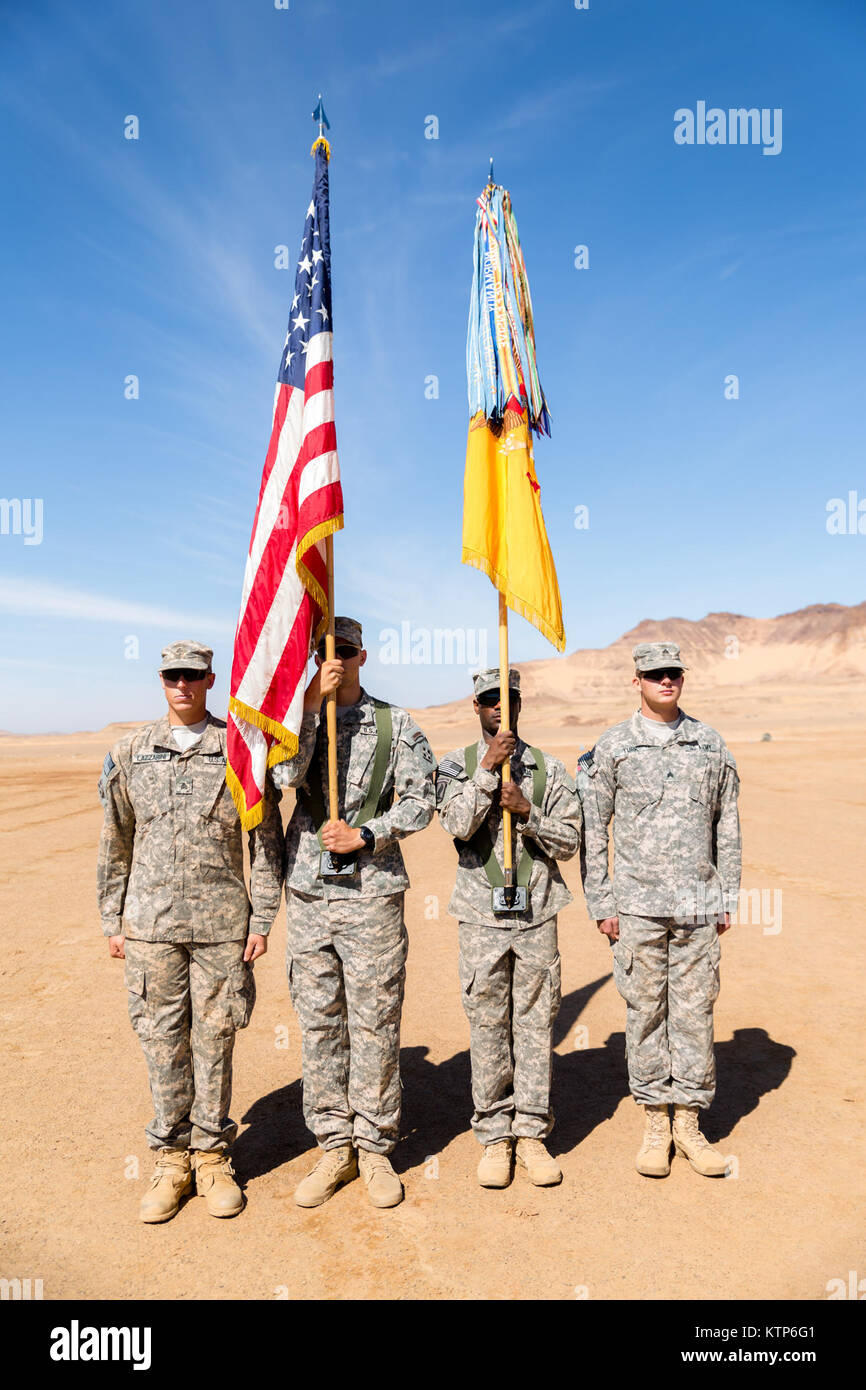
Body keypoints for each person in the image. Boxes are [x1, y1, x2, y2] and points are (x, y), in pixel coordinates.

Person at [97, 640, 284, 1222]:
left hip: (222, 926)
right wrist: (113, 917)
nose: (183, 684)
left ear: (209, 681)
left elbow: (266, 842)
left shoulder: (238, 750)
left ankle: (211, 1156)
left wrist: (263, 917)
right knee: (161, 1040)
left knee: (216, 1037)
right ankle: (171, 1159)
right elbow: (115, 840)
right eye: (173, 675)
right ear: (161, 680)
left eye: (194, 675)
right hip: (150, 927)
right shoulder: (130, 752)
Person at [271, 617, 436, 1209]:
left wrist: (369, 833)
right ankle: (333, 1145)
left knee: (375, 1020)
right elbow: (285, 776)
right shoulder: (299, 717)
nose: (334, 658)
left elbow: (422, 802)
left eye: (344, 651)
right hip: (311, 892)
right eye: (323, 651)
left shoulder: (397, 724)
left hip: (371, 895)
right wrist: (312, 705)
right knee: (319, 1020)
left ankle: (374, 1146)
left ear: (363, 655)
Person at [576, 641, 741, 1178]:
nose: (666, 681)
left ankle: (689, 1122)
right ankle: (654, 1118)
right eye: (655, 674)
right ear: (637, 681)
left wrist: (727, 895)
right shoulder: (614, 747)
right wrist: (603, 902)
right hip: (637, 909)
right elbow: (592, 833)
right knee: (645, 1013)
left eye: (673, 673)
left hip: (697, 906)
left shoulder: (709, 743)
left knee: (694, 1012)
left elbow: (727, 827)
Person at [436, 668, 582, 1189]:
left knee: (536, 1022)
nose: (500, 706)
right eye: (489, 699)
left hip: (536, 912)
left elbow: (569, 842)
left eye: (509, 698)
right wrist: (487, 770)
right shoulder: (454, 766)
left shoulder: (549, 769)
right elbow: (456, 826)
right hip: (481, 917)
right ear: (475, 706)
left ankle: (533, 1134)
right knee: (489, 1026)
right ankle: (495, 1135)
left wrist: (528, 811)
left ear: (521, 704)